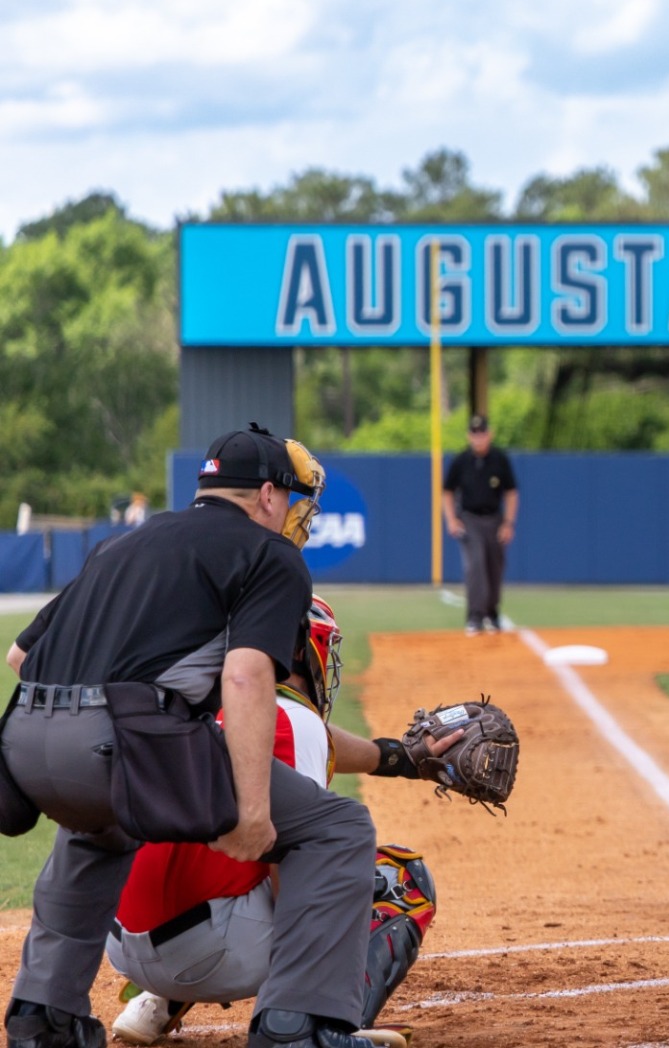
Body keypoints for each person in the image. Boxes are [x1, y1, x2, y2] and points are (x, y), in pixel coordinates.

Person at [1, 424, 382, 1048]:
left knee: (101, 828)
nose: (290, 514)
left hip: (22, 741)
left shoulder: (125, 543)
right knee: (336, 830)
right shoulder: (270, 554)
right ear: (266, 494)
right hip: (116, 738)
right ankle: (299, 1028)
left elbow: (21, 656)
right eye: (288, 500)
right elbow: (247, 672)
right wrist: (253, 810)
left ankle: (42, 1018)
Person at [106, 597, 455, 1047]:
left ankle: (156, 1001)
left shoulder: (189, 705)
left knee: (203, 862)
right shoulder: (291, 718)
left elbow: (324, 742)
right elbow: (298, 868)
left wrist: (398, 758)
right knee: (392, 878)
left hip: (121, 941)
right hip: (212, 952)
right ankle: (319, 1024)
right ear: (298, 651)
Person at [441, 414, 517, 636]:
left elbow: (511, 493)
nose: (479, 437)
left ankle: (492, 614)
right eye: (475, 433)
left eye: (482, 432)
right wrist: (451, 519)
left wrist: (508, 523)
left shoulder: (499, 460)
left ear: (489, 434)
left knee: (494, 567)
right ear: (469, 435)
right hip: (470, 519)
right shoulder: (461, 460)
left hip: (494, 518)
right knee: (475, 566)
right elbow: (447, 491)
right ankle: (475, 616)